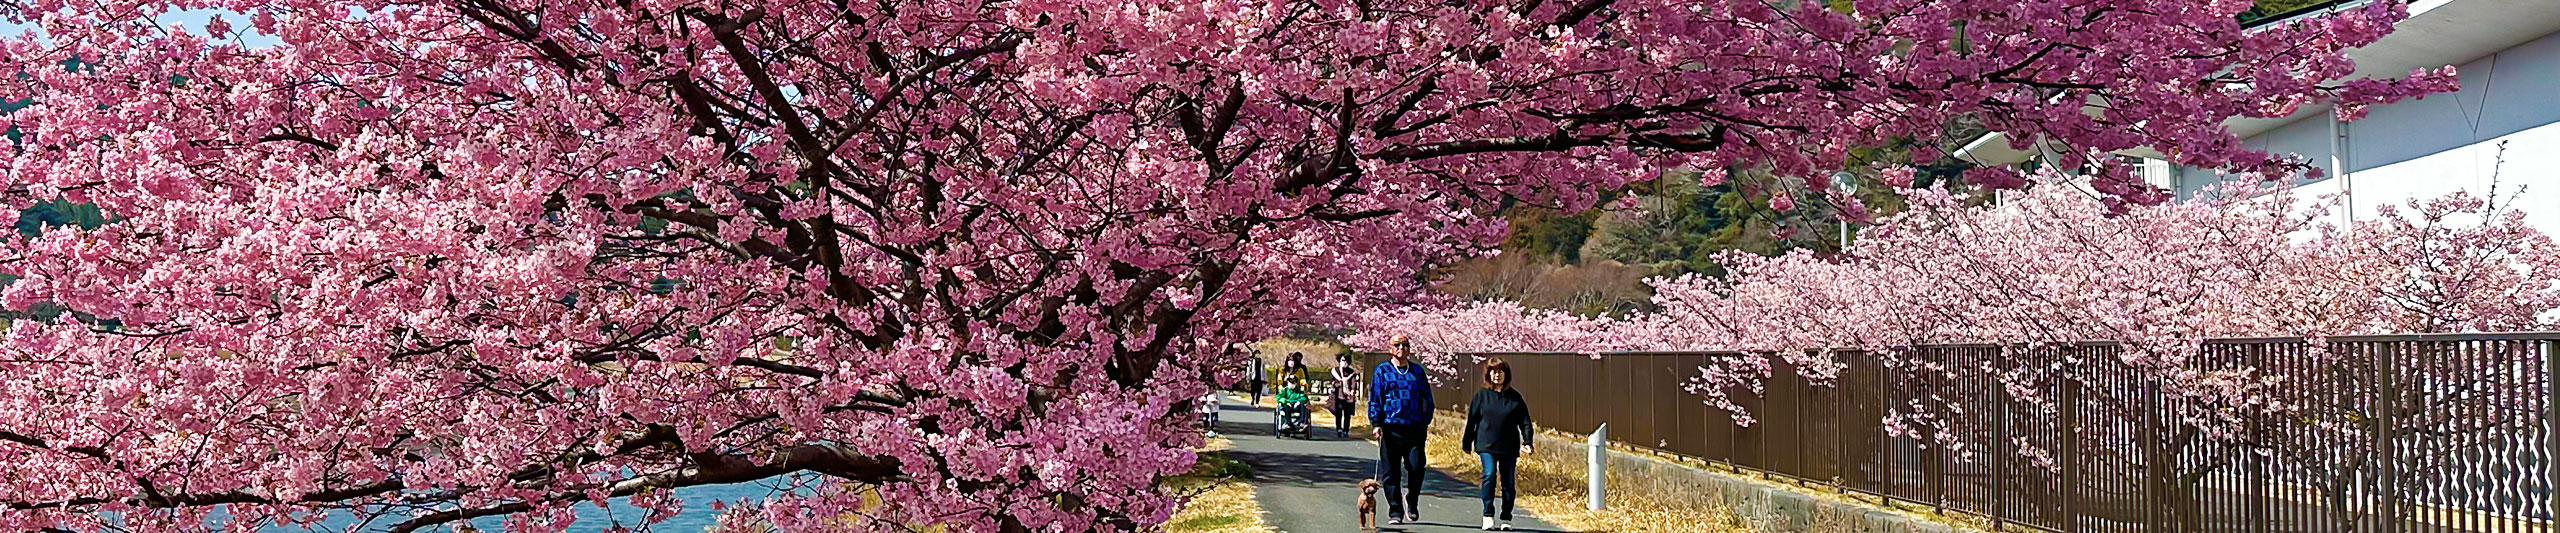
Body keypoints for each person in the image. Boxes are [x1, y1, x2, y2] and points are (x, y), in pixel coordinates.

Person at [1368, 334, 1433, 525]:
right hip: (1390, 428)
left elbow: (1427, 398)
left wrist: (1425, 420)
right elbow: (1375, 398)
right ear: (1390, 348)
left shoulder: (1417, 372)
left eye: (1405, 345)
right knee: (1391, 472)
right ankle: (1395, 510)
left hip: (1414, 428)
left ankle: (1412, 500)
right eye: (1397, 345)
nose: (1401, 348)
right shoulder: (1382, 371)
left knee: (1417, 467)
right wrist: (1376, 423)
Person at [1464, 358, 1534, 531]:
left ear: (1506, 374)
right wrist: (1467, 442)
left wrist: (1528, 442)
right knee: (1489, 475)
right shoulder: (1482, 396)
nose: (1497, 375)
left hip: (1508, 446)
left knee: (1508, 483)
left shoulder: (1515, 397)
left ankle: (1506, 517)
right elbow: (1472, 420)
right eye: (1493, 371)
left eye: (1500, 371)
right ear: (1488, 374)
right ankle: (1488, 514)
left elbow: (1525, 422)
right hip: (1486, 444)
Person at [1274, 352, 1313, 437]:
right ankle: (1288, 424)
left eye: (1293, 360)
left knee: (1302, 404)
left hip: (1297, 392)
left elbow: (1303, 380)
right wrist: (1283, 392)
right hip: (1286, 394)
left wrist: (1303, 386)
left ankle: (1301, 423)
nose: (1291, 362)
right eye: (1289, 360)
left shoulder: (1300, 370)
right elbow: (1280, 384)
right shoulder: (1282, 371)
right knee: (1285, 406)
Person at [1329, 353, 1360, 438]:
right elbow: (1332, 381)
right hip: (1338, 394)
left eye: (1346, 361)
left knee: (1347, 414)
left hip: (1348, 396)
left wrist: (1352, 390)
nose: (1344, 362)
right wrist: (1337, 384)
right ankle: (1339, 428)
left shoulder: (1351, 372)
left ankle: (1346, 430)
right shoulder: (1335, 371)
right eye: (1342, 360)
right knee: (1338, 412)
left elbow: (1354, 383)